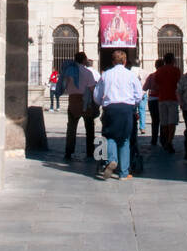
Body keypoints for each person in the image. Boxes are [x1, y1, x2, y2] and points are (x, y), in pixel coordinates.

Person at [93, 50, 142, 180]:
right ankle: (123, 173)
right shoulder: (131, 75)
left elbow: (97, 95)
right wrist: (134, 104)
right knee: (125, 139)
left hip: (110, 108)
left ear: (113, 61)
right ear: (125, 61)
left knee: (110, 136)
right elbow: (139, 95)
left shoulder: (105, 75)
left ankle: (112, 160)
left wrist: (101, 103)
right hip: (126, 109)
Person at [59, 51, 98, 161]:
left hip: (73, 100)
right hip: (85, 100)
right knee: (90, 127)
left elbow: (64, 85)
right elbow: (92, 89)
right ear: (84, 60)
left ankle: (69, 151)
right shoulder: (87, 73)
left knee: (71, 127)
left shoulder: (69, 72)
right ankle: (90, 151)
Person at [155, 51, 182, 153]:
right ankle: (169, 141)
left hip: (162, 98)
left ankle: (165, 139)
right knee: (172, 122)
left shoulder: (159, 71)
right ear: (173, 60)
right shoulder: (176, 70)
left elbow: (156, 84)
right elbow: (179, 83)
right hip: (173, 98)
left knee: (164, 122)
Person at [143, 59, 163, 147]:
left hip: (152, 99)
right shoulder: (165, 76)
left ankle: (154, 139)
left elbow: (145, 87)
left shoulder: (151, 76)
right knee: (163, 120)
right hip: (162, 99)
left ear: (155, 66)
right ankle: (163, 139)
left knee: (154, 120)